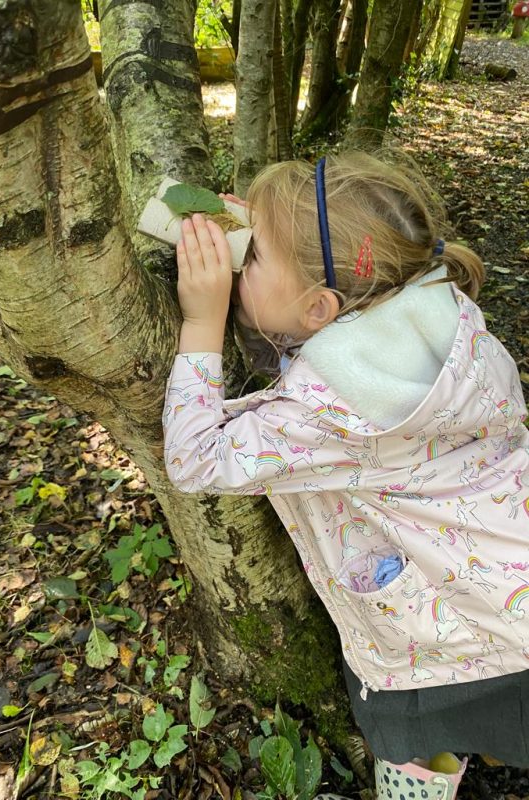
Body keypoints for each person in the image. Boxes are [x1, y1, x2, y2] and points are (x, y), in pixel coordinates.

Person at [162, 149, 529, 800]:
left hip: (454, 642)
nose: (239, 261)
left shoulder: (334, 406)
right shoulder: (439, 312)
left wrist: (200, 321)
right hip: (508, 588)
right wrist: (278, 243)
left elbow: (196, 458)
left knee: (416, 740)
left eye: (254, 255)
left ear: (319, 310)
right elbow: (297, 326)